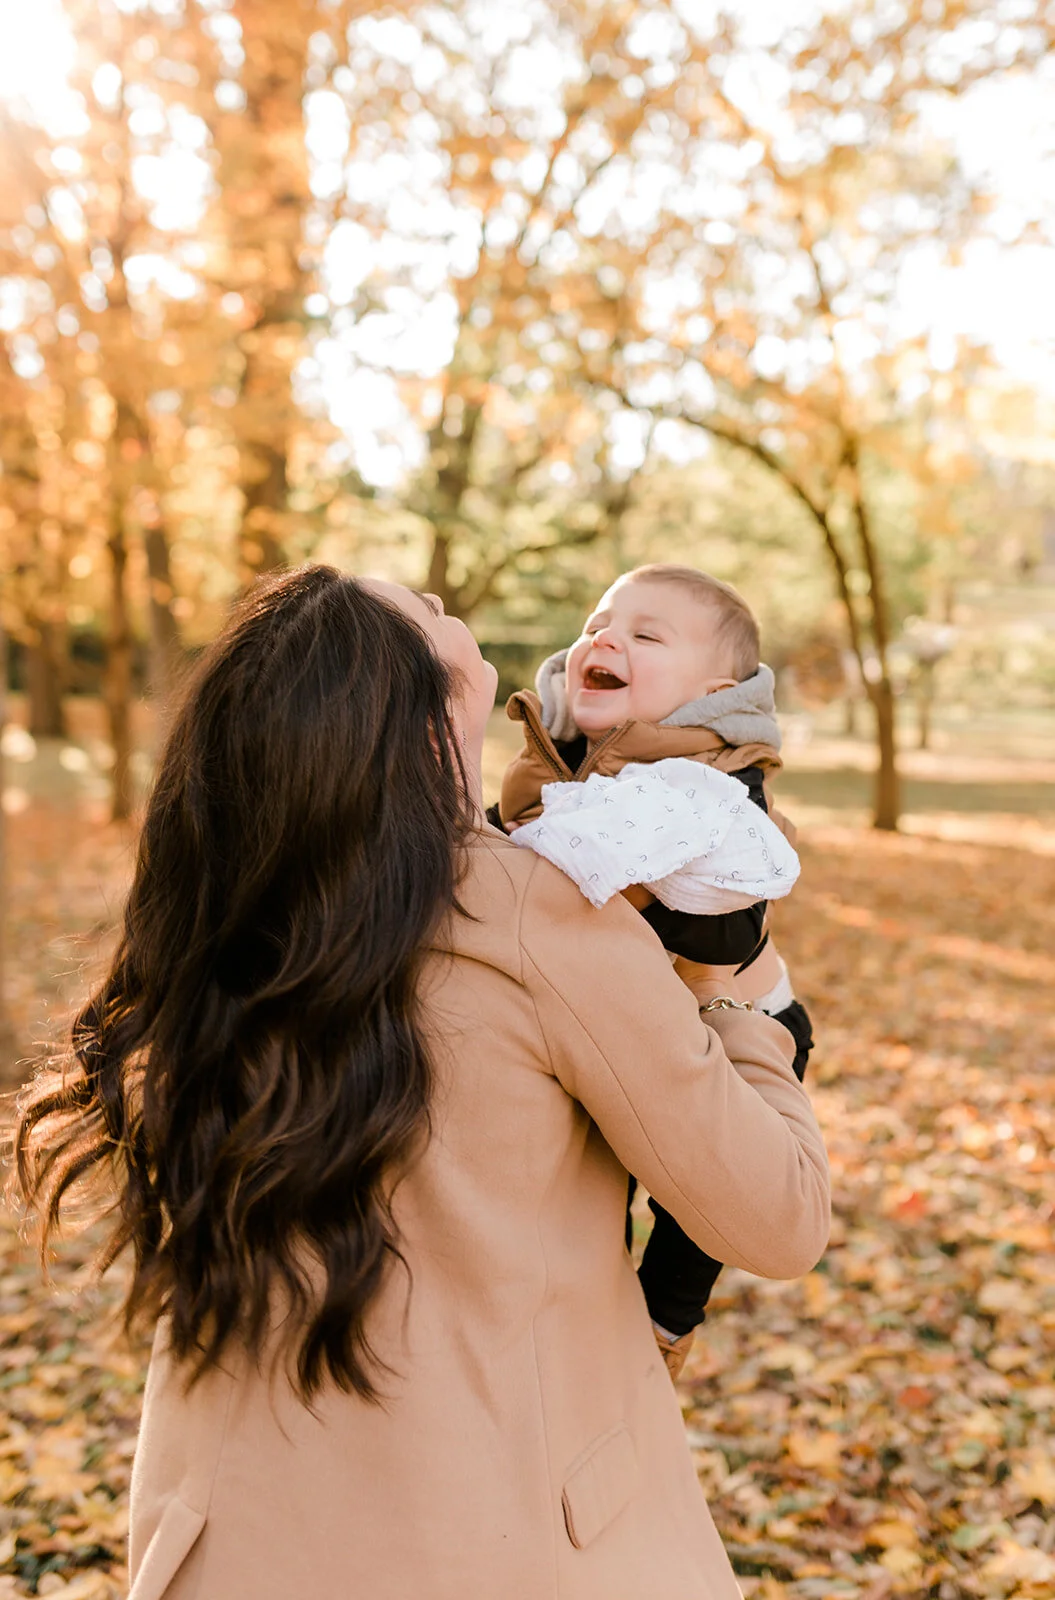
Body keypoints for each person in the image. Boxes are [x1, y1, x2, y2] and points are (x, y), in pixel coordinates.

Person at [13, 565, 829, 1600]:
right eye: (430, 617)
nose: (448, 608)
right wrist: (742, 993)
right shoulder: (531, 910)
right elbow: (780, 1215)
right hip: (496, 1549)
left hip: (226, 1546)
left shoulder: (214, 908)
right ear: (425, 708)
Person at [496, 563, 815, 1375]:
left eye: (645, 634)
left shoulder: (702, 779)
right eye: (596, 624)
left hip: (748, 1020)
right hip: (647, 1023)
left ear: (711, 692)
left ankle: (665, 1326)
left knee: (692, 1204)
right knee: (618, 1172)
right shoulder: (569, 750)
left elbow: (709, 931)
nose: (604, 638)